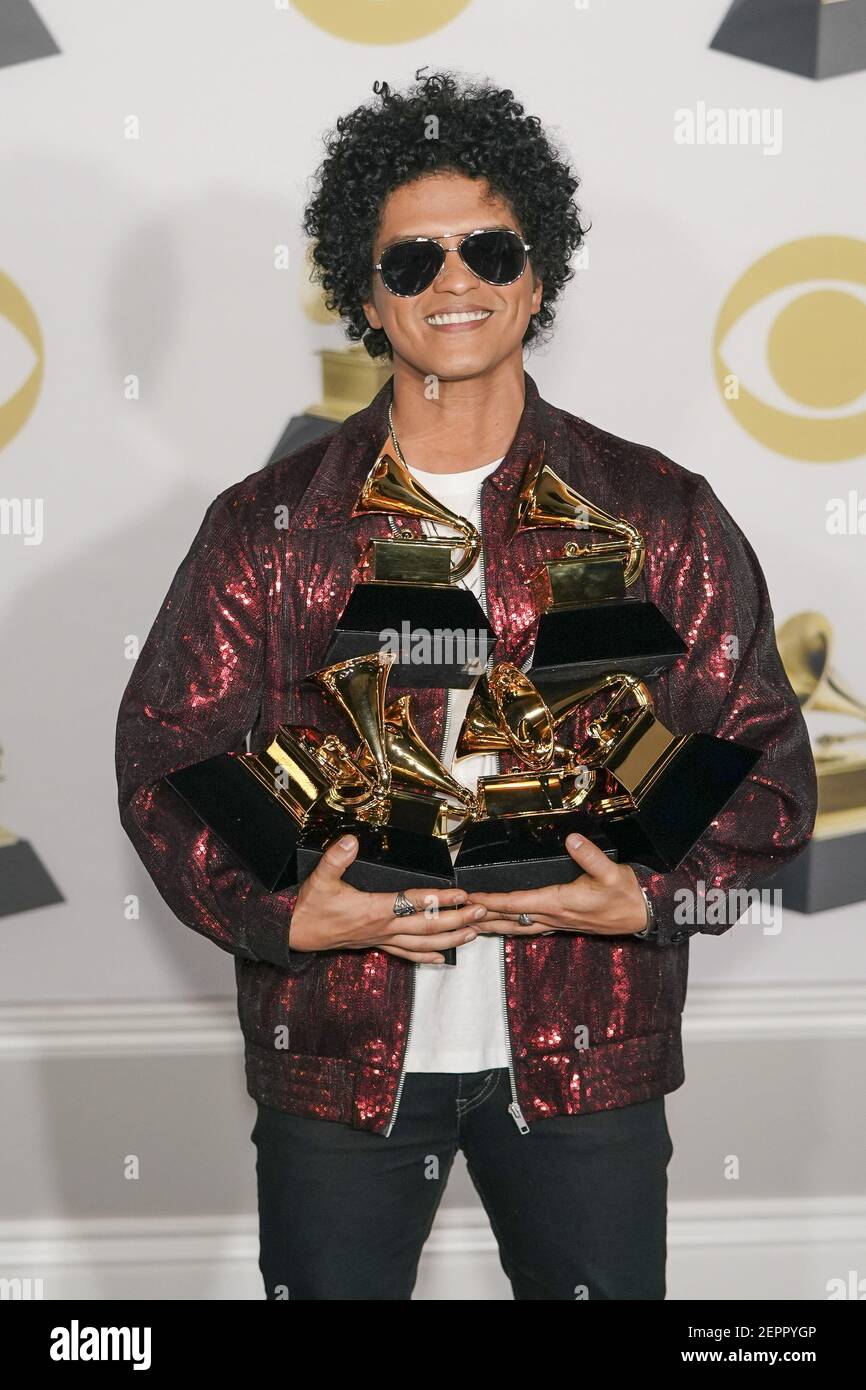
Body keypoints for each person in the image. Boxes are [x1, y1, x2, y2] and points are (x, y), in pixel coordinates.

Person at [115, 70, 817, 1301]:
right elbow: (166, 756)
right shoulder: (268, 530)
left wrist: (648, 902)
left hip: (588, 1055)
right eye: (411, 259)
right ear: (364, 292)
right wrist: (280, 920)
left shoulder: (656, 512)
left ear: (536, 275)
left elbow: (764, 765)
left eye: (487, 248)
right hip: (338, 1054)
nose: (453, 282)